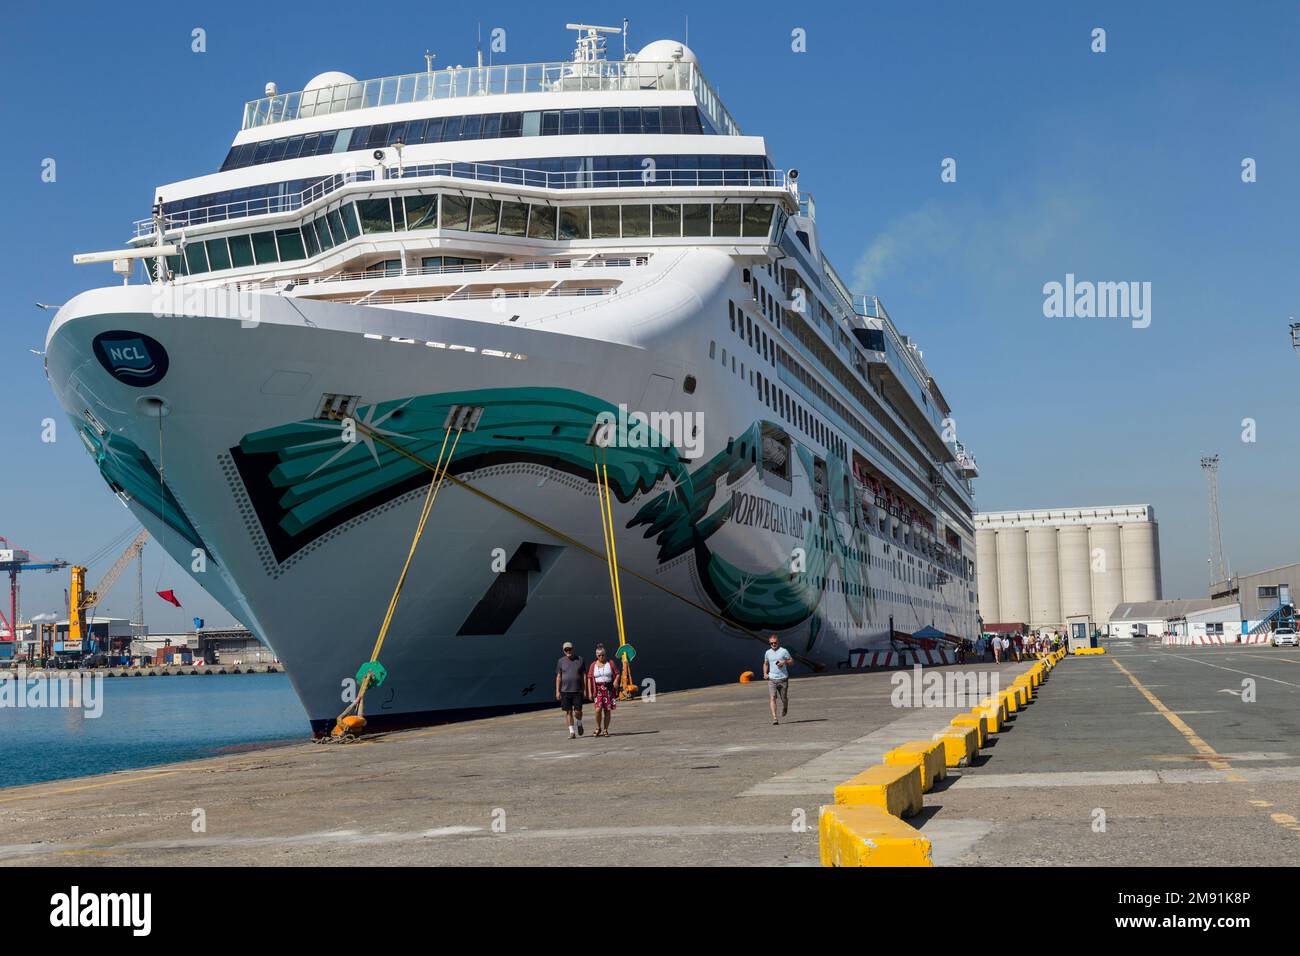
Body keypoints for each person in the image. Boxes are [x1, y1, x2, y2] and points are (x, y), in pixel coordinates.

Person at [586, 643, 621, 737]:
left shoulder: (610, 663)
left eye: (603, 655)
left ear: (605, 654)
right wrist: (589, 692)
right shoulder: (593, 665)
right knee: (598, 709)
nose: (601, 657)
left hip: (608, 689)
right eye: (599, 655)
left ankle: (605, 729)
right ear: (596, 655)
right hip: (598, 690)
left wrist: (616, 681)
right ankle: (598, 727)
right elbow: (589, 678)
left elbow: (617, 673)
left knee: (607, 710)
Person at [555, 641, 586, 738]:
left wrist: (585, 689)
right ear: (564, 651)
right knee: (568, 712)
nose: (568, 651)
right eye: (566, 650)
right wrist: (557, 691)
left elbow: (584, 675)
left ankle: (579, 723)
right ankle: (572, 732)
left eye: (569, 649)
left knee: (578, 711)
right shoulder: (561, 661)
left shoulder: (580, 659)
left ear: (573, 649)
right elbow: (559, 677)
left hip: (577, 690)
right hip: (565, 691)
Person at [763, 634, 793, 725]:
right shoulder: (767, 652)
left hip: (783, 678)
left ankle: (785, 706)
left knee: (783, 698)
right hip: (772, 679)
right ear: (769, 643)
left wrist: (784, 662)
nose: (773, 644)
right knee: (772, 698)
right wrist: (765, 673)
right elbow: (766, 663)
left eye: (775, 643)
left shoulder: (784, 651)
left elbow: (791, 661)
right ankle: (775, 718)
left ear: (778, 642)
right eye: (771, 643)